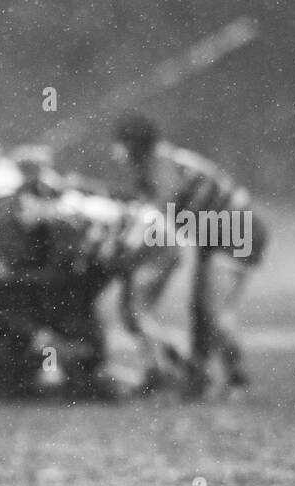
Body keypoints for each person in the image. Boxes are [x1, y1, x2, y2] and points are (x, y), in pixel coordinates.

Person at [113, 113, 268, 396]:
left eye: (121, 145)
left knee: (215, 310)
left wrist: (136, 244)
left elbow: (162, 210)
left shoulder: (161, 166)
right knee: (199, 308)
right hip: (215, 235)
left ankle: (237, 380)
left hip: (237, 229)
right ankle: (199, 376)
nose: (116, 153)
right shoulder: (158, 163)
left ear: (134, 145)